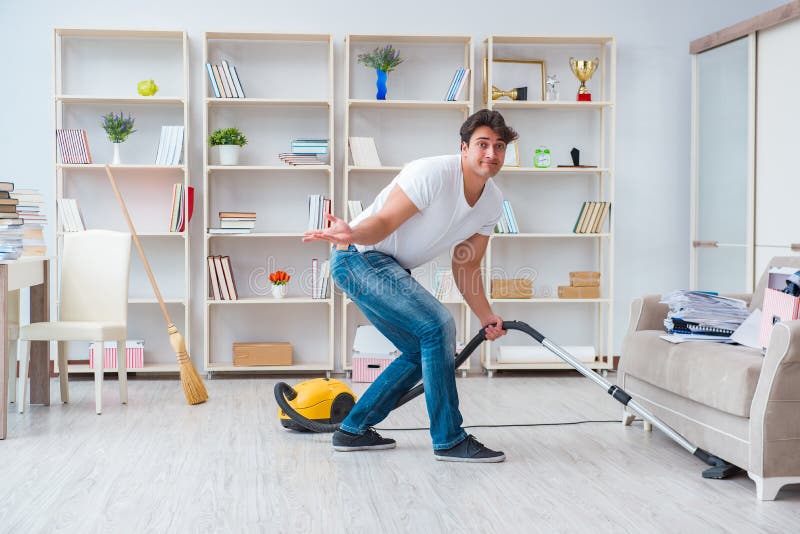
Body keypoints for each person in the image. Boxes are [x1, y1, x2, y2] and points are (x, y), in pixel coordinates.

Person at [303, 109, 517, 462]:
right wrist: (353, 232)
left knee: (423, 350)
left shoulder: (492, 202)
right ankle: (449, 440)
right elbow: (384, 221)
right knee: (438, 327)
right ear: (464, 148)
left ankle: (352, 430)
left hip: (386, 267)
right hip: (359, 257)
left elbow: (466, 264)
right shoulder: (431, 173)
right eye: (482, 144)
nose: (491, 154)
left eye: (499, 146)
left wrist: (485, 315)